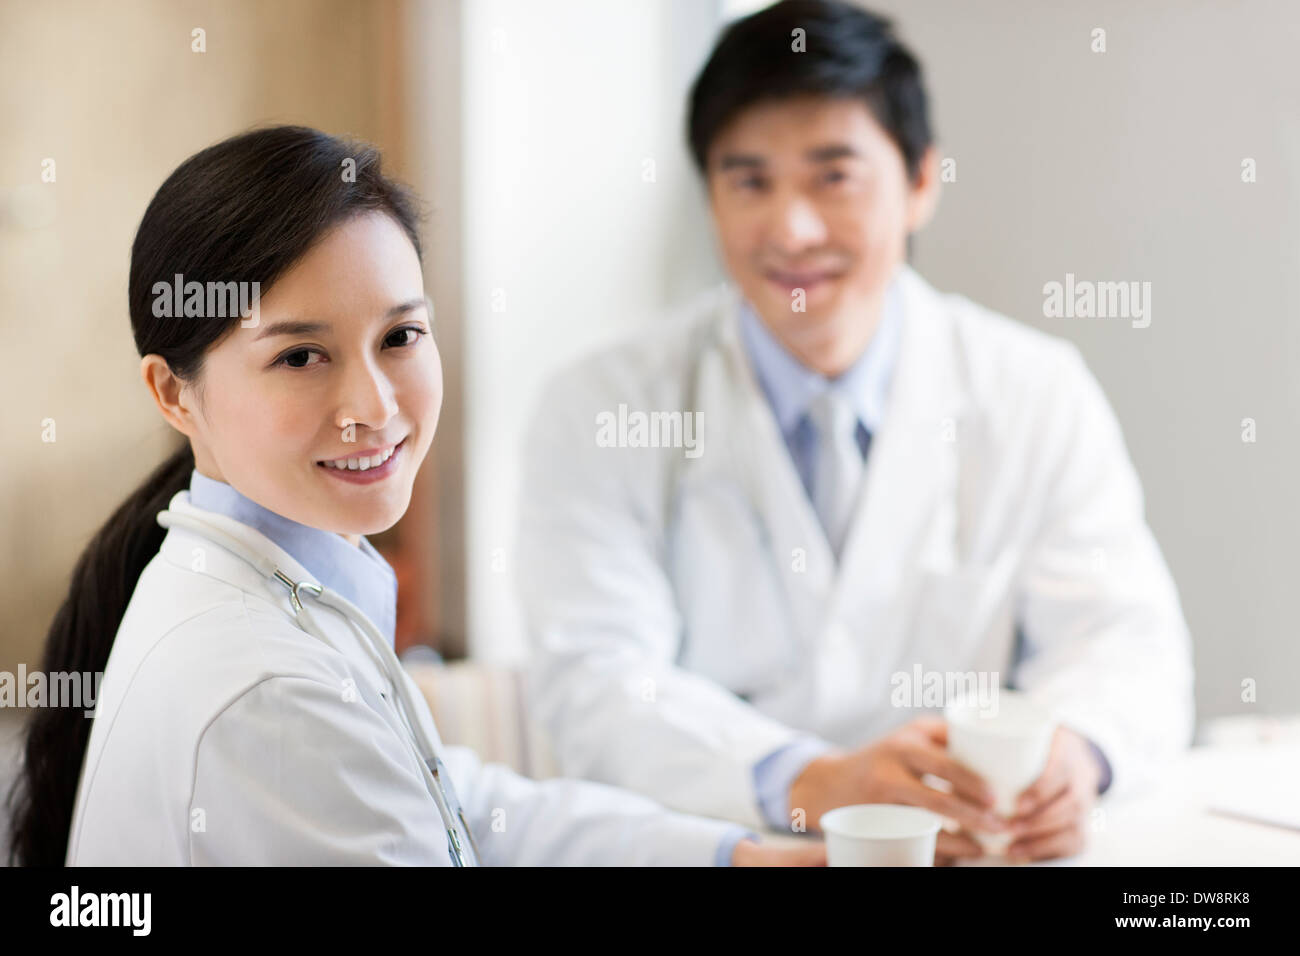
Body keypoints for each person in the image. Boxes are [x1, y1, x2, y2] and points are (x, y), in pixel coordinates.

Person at [5, 125, 823, 867]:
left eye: (400, 337)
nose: (375, 407)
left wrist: (734, 857)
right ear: (175, 394)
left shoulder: (284, 591)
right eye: (300, 357)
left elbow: (451, 804)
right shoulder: (270, 694)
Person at [516, 0, 1194, 864]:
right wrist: (808, 781)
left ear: (920, 182)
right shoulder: (599, 403)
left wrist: (1077, 754)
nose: (792, 230)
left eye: (833, 176)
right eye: (749, 180)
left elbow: (1127, 643)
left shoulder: (1034, 391)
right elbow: (596, 682)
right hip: (731, 849)